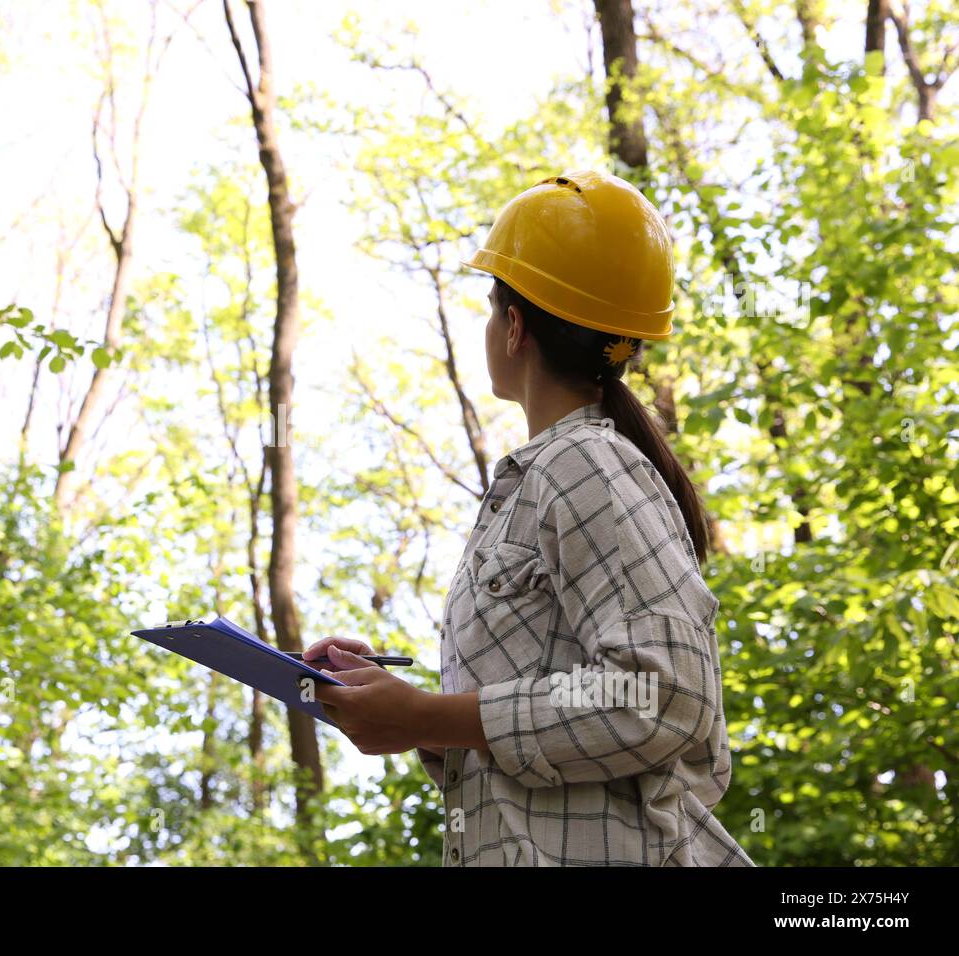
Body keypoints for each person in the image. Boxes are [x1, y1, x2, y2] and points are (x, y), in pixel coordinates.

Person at [310, 170, 754, 866]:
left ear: (514, 327)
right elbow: (543, 747)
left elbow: (665, 693)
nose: (490, 323)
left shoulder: (584, 465)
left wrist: (427, 715)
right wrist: (402, 709)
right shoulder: (547, 478)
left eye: (493, 307)